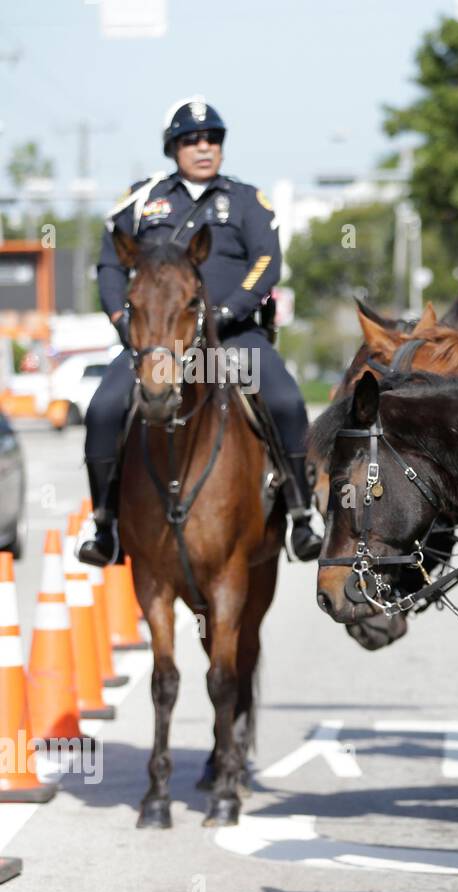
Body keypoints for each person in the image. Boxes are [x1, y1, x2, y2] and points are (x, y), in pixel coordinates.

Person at [79, 96, 322, 566]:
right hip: (155, 344)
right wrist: (122, 321)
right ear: (173, 148)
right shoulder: (143, 198)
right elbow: (110, 264)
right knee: (104, 409)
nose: (204, 147)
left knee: (288, 401)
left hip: (230, 338)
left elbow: (267, 261)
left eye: (212, 138)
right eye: (191, 140)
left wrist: (230, 310)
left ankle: (300, 513)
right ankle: (105, 524)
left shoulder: (247, 199)